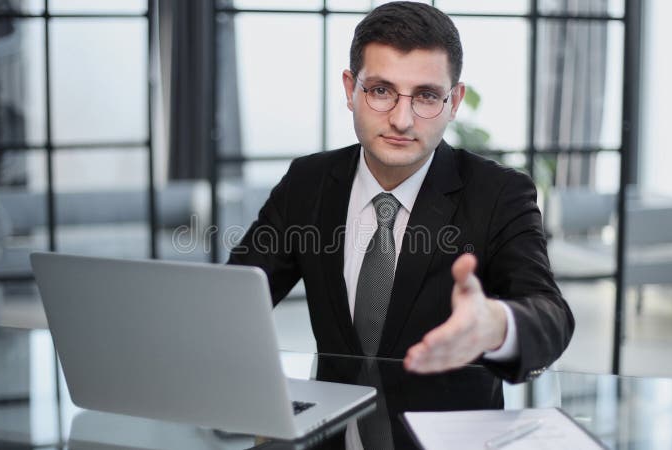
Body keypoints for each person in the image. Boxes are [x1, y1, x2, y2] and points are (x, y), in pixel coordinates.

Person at [228, 1, 574, 385]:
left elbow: (551, 316)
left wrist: (497, 325)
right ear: (350, 89)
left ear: (454, 102)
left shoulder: (499, 193)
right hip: (333, 436)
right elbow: (233, 300)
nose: (401, 120)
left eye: (426, 96)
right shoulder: (307, 181)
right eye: (380, 90)